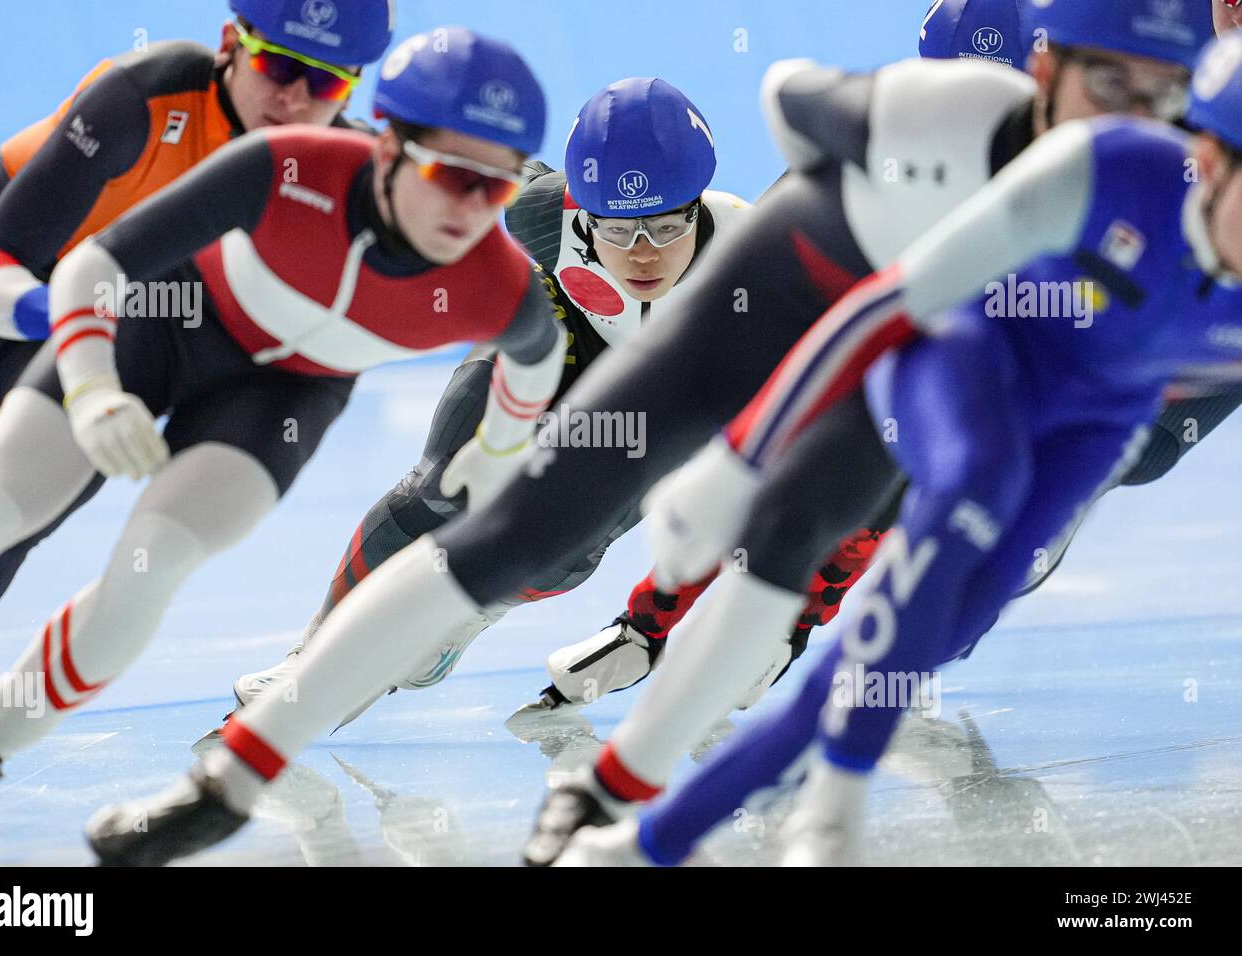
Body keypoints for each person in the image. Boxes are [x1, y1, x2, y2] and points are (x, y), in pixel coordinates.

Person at [76, 0, 1211, 869]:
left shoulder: (1148, 186)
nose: (1133, 116)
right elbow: (854, 243)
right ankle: (232, 774)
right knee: (511, 531)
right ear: (1043, 71)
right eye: (1107, 81)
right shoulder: (945, 118)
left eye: (1164, 98)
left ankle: (611, 793)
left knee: (831, 581)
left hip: (903, 365)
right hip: (788, 314)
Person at [555, 24, 1242, 867]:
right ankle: (828, 802)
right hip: (968, 351)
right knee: (969, 498)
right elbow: (891, 303)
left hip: (1099, 416)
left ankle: (656, 840)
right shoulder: (1105, 167)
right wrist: (741, 457)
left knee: (931, 634)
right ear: (1207, 163)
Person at [0, 26, 559, 853]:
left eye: (498, 188)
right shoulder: (289, 164)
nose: (468, 210)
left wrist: (496, 455)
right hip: (161, 324)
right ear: (386, 146)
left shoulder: (494, 281)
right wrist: (89, 389)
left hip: (283, 396)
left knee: (150, 574)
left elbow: (540, 360)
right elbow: (95, 266)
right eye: (451, 175)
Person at [229, 76, 750, 724]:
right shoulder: (538, 213)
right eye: (615, 231)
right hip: (555, 345)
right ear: (582, 211)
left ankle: (471, 609)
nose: (641, 254)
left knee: (560, 543)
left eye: (667, 225)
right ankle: (314, 656)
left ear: (699, 204)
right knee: (437, 488)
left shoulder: (752, 256)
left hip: (663, 401)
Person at [0, 0, 394, 651]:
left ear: (353, 86)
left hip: (96, 315)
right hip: (7, 255)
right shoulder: (147, 92)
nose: (294, 97)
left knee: (12, 515)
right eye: (277, 64)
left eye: (324, 81)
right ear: (229, 44)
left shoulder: (335, 173)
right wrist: (68, 307)